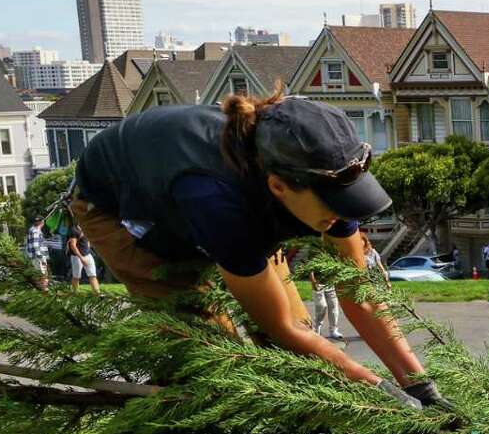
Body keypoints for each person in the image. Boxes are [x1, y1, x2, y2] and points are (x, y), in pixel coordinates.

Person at [70, 90, 448, 410]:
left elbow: (359, 293)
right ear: (280, 187)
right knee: (220, 356)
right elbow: (279, 327)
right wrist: (376, 390)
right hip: (124, 211)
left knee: (300, 344)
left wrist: (419, 387)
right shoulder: (215, 200)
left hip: (229, 204)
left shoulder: (326, 182)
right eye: (335, 204)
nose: (344, 214)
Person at [65, 229, 102, 295]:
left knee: (93, 275)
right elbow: (73, 245)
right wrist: (81, 258)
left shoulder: (85, 228)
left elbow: (88, 242)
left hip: (88, 255)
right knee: (76, 276)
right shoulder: (74, 230)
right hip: (76, 257)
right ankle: (75, 293)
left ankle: (97, 293)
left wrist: (89, 251)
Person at [21, 218, 50, 290]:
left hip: (35, 256)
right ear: (42, 222)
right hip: (38, 257)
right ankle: (44, 289)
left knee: (40, 273)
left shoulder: (32, 230)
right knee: (42, 273)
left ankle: (41, 289)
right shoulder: (36, 231)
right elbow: (35, 245)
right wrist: (40, 257)